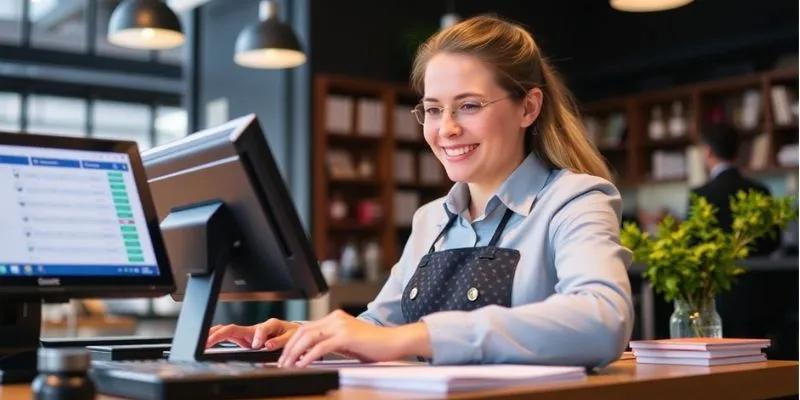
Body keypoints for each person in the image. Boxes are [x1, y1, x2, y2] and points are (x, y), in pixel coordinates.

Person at [206, 14, 634, 369]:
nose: (446, 128)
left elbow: (602, 320)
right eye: (432, 109)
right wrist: (308, 336)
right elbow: (380, 327)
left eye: (468, 106)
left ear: (529, 107)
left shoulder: (576, 199)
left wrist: (422, 336)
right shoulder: (431, 219)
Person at [690, 122, 780, 256]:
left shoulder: (700, 195)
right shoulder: (761, 190)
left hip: (716, 275)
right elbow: (774, 241)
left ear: (708, 151)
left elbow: (693, 244)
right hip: (758, 274)